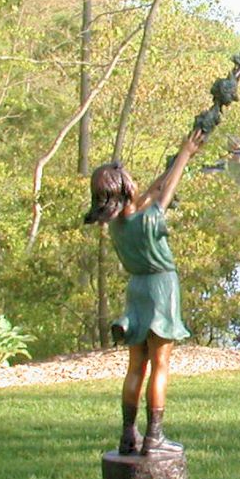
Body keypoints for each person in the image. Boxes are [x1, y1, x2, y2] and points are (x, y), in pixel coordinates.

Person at [84, 127, 206, 456]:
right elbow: (164, 193)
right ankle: (154, 435)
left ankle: (128, 434)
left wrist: (166, 169)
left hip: (136, 291)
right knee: (160, 365)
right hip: (161, 289)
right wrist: (184, 154)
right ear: (125, 190)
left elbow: (150, 192)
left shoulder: (116, 225)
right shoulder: (149, 219)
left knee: (135, 365)